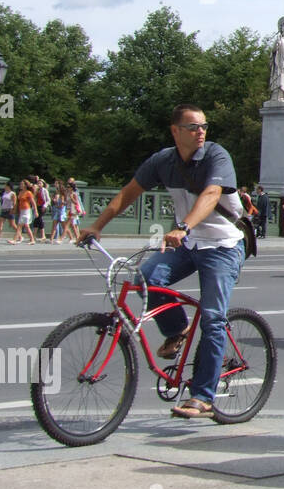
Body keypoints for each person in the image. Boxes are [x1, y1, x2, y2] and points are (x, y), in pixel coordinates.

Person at [81, 104, 247, 419]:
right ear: (175, 131)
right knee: (145, 279)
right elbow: (128, 193)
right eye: (193, 127)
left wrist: (183, 227)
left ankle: (202, 397)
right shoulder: (163, 161)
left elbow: (211, 194)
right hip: (188, 242)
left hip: (223, 245)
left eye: (203, 126)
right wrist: (96, 226)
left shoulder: (216, 155)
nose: (201, 132)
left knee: (213, 318)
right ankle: (177, 330)